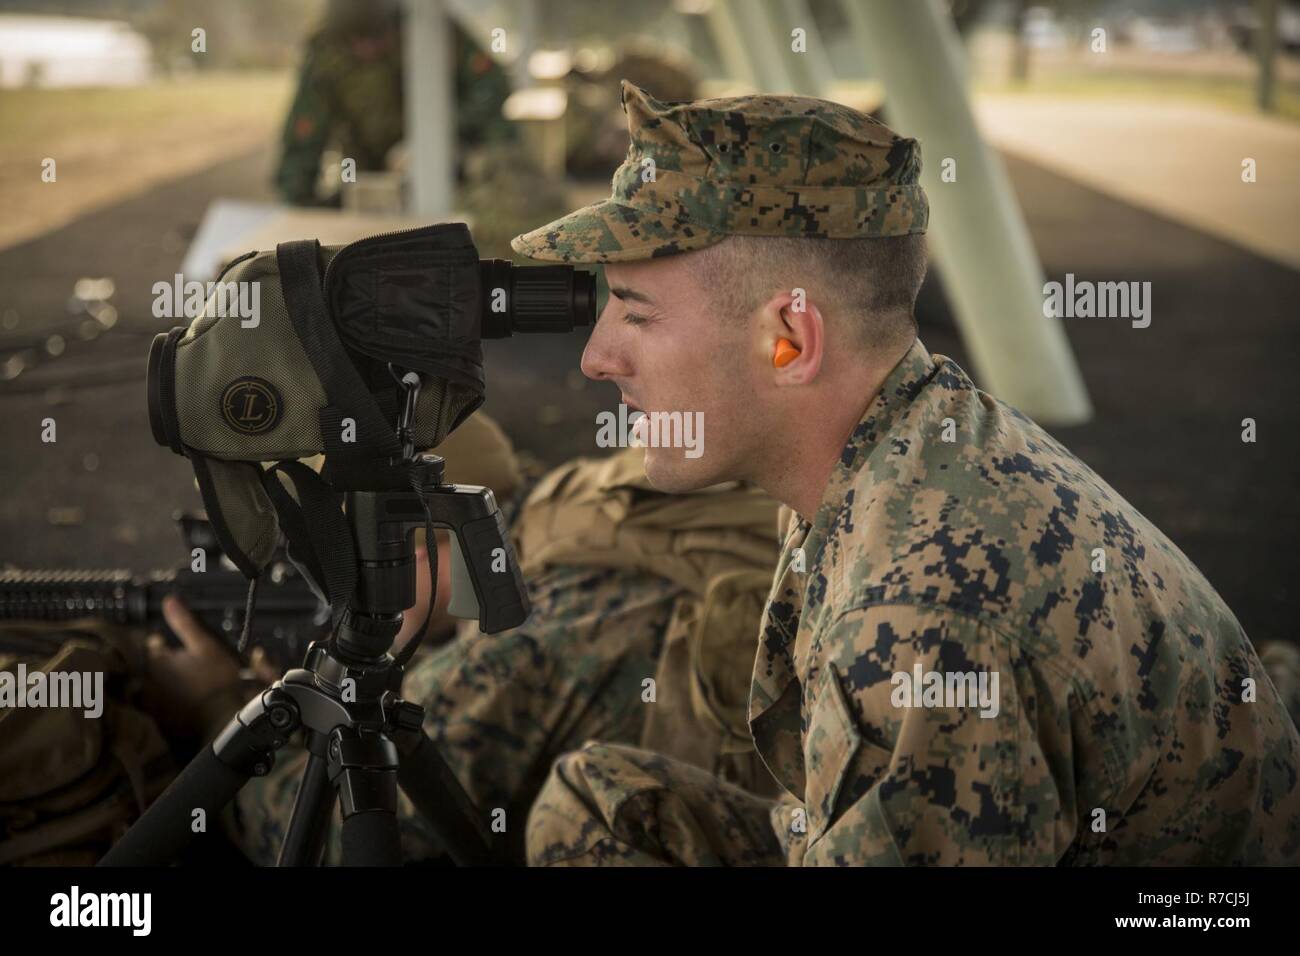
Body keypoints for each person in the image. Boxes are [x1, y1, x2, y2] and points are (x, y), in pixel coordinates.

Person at [511, 82, 1300, 866]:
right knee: (600, 804)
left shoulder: (930, 617)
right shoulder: (910, 433)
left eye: (638, 314)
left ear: (789, 338)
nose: (597, 359)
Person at [144, 413, 782, 865]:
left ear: (407, 542)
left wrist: (212, 704)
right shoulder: (570, 511)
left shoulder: (512, 649)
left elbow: (333, 836)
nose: (332, 580)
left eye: (339, 554)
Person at [274, 0, 514, 206]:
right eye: (354, 41)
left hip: (450, 167)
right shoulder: (326, 53)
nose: (366, 50)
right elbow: (303, 136)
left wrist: (433, 138)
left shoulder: (432, 31)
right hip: (371, 177)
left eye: (375, 38)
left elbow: (493, 87)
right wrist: (300, 202)